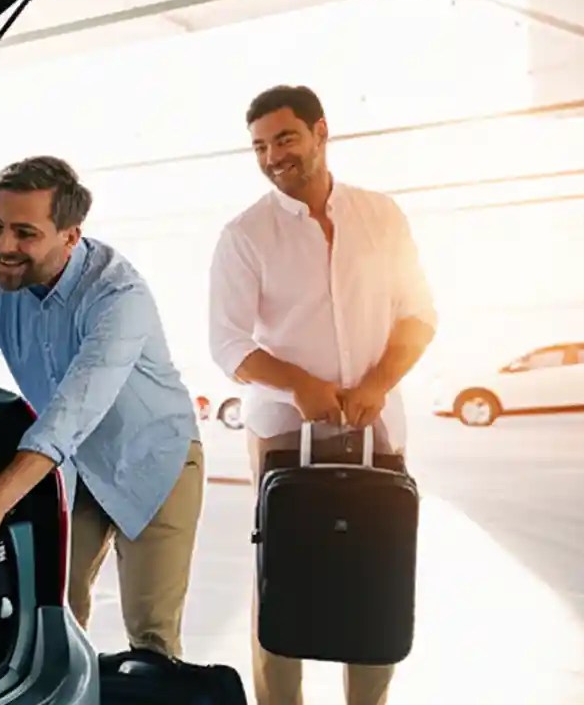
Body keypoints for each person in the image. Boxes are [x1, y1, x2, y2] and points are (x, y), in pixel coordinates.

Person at [207, 85, 437, 705]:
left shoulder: (381, 214)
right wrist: (300, 385)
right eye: (259, 145)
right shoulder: (244, 234)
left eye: (284, 138)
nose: (272, 155)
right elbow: (228, 345)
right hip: (283, 432)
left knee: (375, 571)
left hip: (378, 426)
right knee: (283, 576)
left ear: (320, 132)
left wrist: (379, 383)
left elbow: (418, 315)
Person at [0, 155, 205, 659]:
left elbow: (73, 410)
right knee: (53, 614)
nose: (3, 246)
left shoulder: (117, 295)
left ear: (70, 235)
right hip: (71, 467)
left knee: (151, 639)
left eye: (25, 233)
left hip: (153, 461)